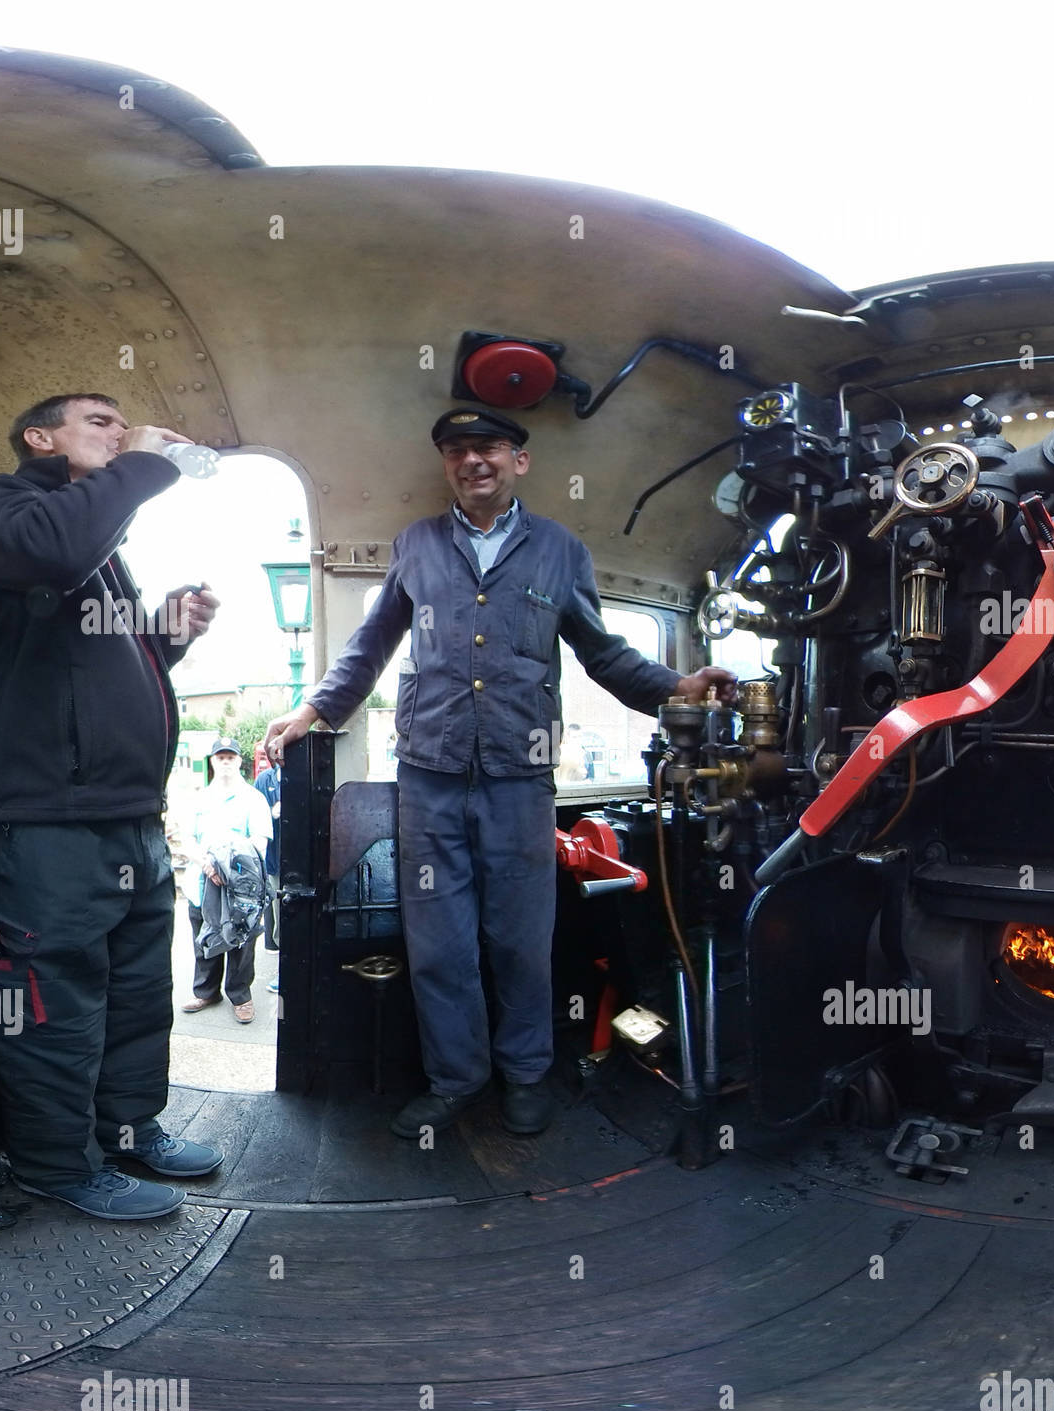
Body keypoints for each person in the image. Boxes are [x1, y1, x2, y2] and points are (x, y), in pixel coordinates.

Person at [263, 409, 731, 1140]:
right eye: (456, 450)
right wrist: (314, 710)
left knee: (520, 940)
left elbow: (602, 654)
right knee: (440, 944)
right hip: (430, 775)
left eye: (487, 448)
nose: (471, 460)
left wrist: (678, 686)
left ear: (520, 460)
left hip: (520, 775)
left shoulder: (561, 551)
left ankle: (525, 1074)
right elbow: (372, 643)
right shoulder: (416, 545)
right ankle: (457, 1079)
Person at [0, 392, 226, 1220]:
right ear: (39, 438)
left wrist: (168, 634)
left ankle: (127, 1132)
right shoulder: (3, 510)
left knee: (132, 992)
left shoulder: (98, 539)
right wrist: (142, 464)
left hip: (128, 818)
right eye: (100, 422)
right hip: (41, 824)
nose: (121, 435)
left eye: (125, 426)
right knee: (52, 1006)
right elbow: (48, 556)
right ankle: (52, 1165)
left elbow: (89, 656)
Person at [183, 737, 271, 1024]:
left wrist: (231, 870)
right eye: (219, 757)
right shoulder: (198, 798)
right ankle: (206, 991)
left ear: (239, 761)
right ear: (212, 762)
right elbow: (187, 840)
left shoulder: (253, 799)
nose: (225, 762)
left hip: (241, 888)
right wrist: (207, 865)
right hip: (202, 882)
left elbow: (258, 842)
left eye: (230, 757)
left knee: (241, 941)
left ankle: (240, 995)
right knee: (204, 935)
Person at [252, 746, 282, 995]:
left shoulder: (302, 774)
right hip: (275, 861)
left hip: (304, 861)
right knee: (280, 915)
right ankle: (284, 969)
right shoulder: (264, 780)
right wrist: (272, 814)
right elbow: (256, 815)